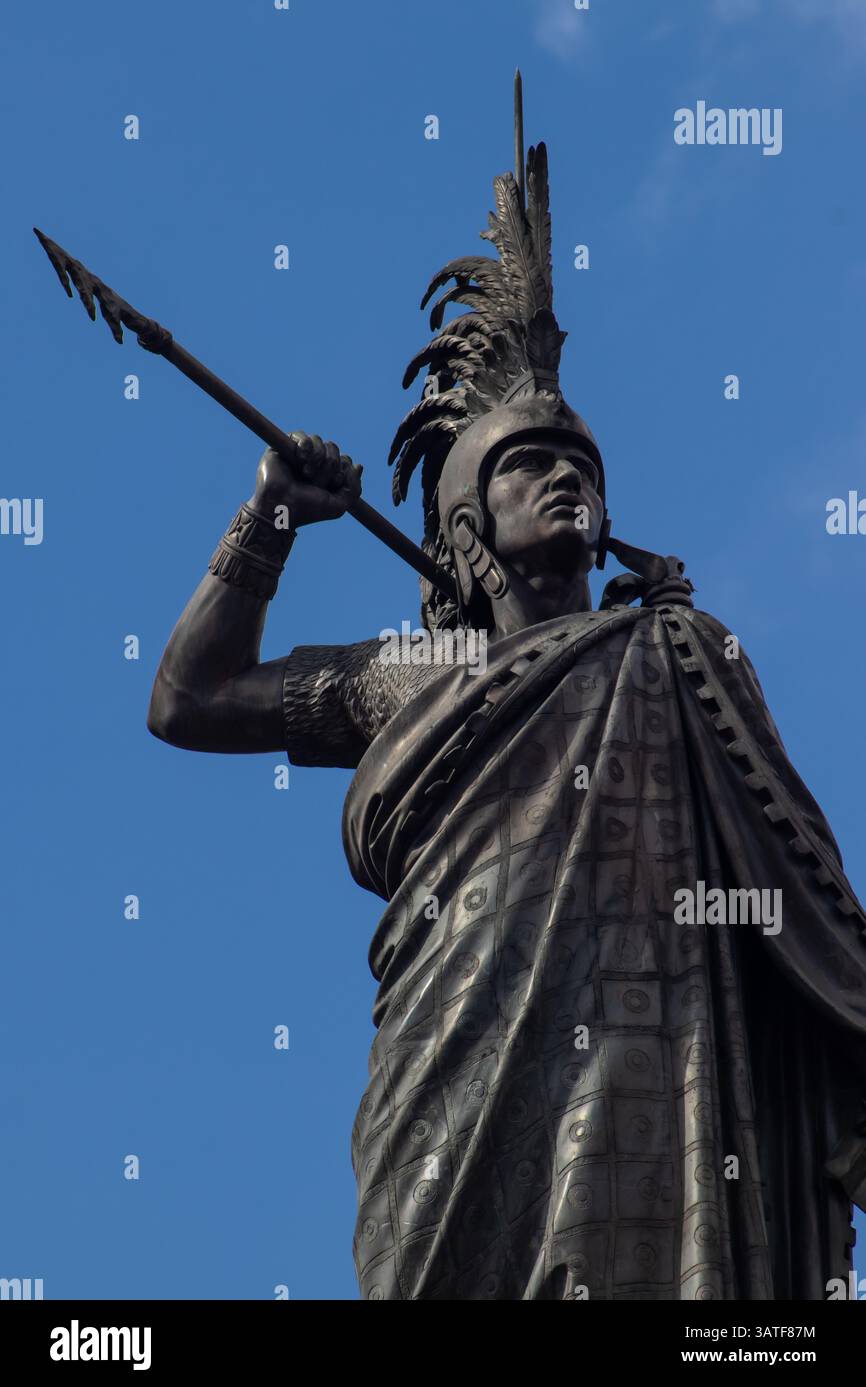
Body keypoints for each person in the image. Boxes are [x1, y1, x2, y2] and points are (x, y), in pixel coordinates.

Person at [148, 131, 866, 1301]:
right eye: (529, 462)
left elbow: (799, 884)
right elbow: (188, 700)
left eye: (577, 460)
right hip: (453, 1073)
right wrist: (271, 515)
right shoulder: (411, 673)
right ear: (467, 526)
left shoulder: (677, 652)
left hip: (656, 1065)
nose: (565, 477)